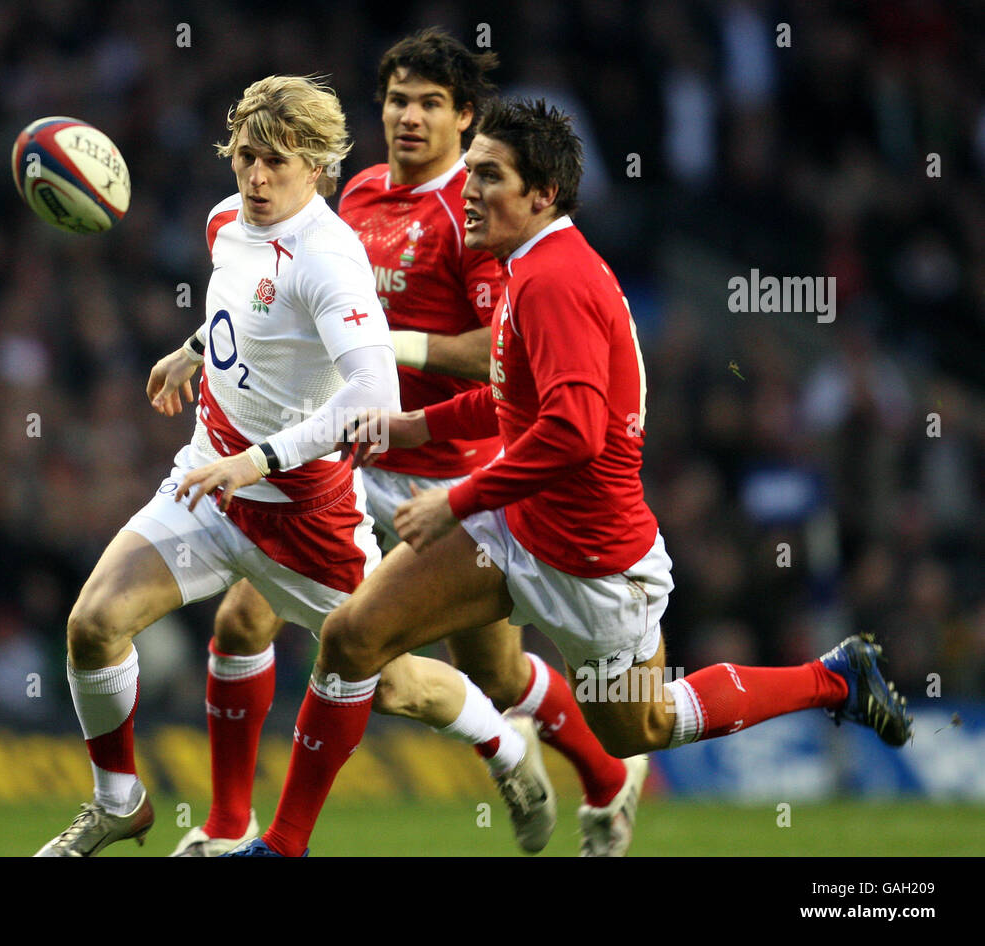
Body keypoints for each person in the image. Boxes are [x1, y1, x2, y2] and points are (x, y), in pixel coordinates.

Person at [231, 98, 913, 858]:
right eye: (470, 174)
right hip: (513, 529)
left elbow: (575, 431)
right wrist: (424, 427)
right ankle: (283, 846)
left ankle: (834, 678)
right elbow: (512, 399)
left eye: (489, 176)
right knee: (353, 637)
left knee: (642, 727)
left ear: (542, 193)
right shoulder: (529, 269)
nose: (469, 191)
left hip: (595, 564)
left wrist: (456, 497)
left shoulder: (556, 278)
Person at [34, 74, 544, 857]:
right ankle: (120, 802)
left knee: (399, 682)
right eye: (245, 157)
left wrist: (259, 461)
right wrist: (193, 351)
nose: (258, 177)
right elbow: (242, 307)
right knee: (93, 626)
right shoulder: (224, 223)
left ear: (318, 167)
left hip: (306, 516)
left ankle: (502, 745)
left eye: (277, 161)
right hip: (209, 482)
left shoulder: (332, 260)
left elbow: (372, 391)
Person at [174, 29, 643, 859]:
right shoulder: (351, 196)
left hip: (451, 468)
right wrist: (201, 346)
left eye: (432, 103)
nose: (410, 117)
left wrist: (382, 345)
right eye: (397, 99)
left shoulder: (477, 213)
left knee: (494, 675)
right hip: (352, 459)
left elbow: (501, 355)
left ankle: (602, 775)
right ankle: (227, 828)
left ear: (466, 119)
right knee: (247, 621)